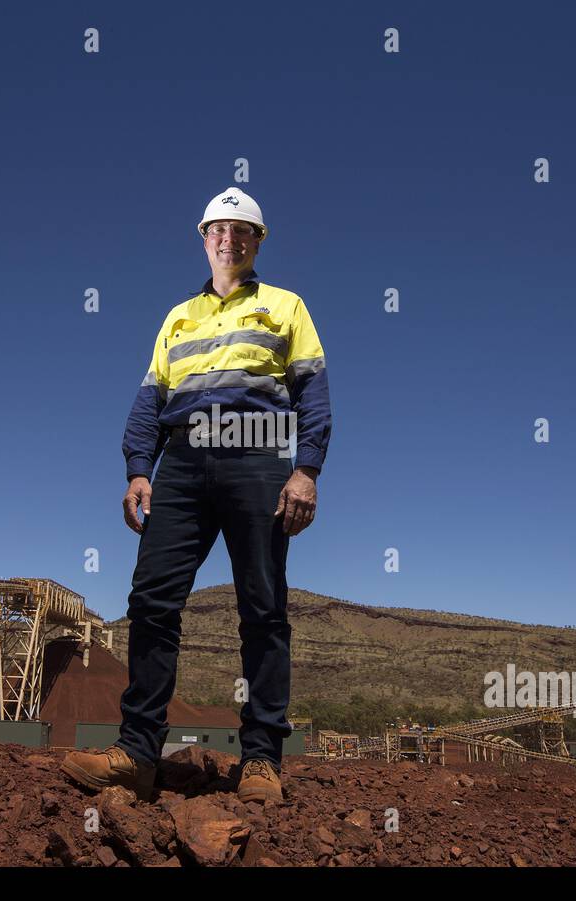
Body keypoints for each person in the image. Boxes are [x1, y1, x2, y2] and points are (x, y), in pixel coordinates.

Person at [61, 186, 331, 803]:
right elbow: (148, 404)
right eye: (218, 229)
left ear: (258, 241)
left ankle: (261, 758)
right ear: (204, 239)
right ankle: (136, 754)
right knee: (152, 600)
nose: (229, 239)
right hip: (181, 463)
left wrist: (306, 470)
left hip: (257, 452)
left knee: (262, 607)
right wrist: (138, 469)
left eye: (242, 230)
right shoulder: (177, 317)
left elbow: (312, 394)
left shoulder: (287, 306)